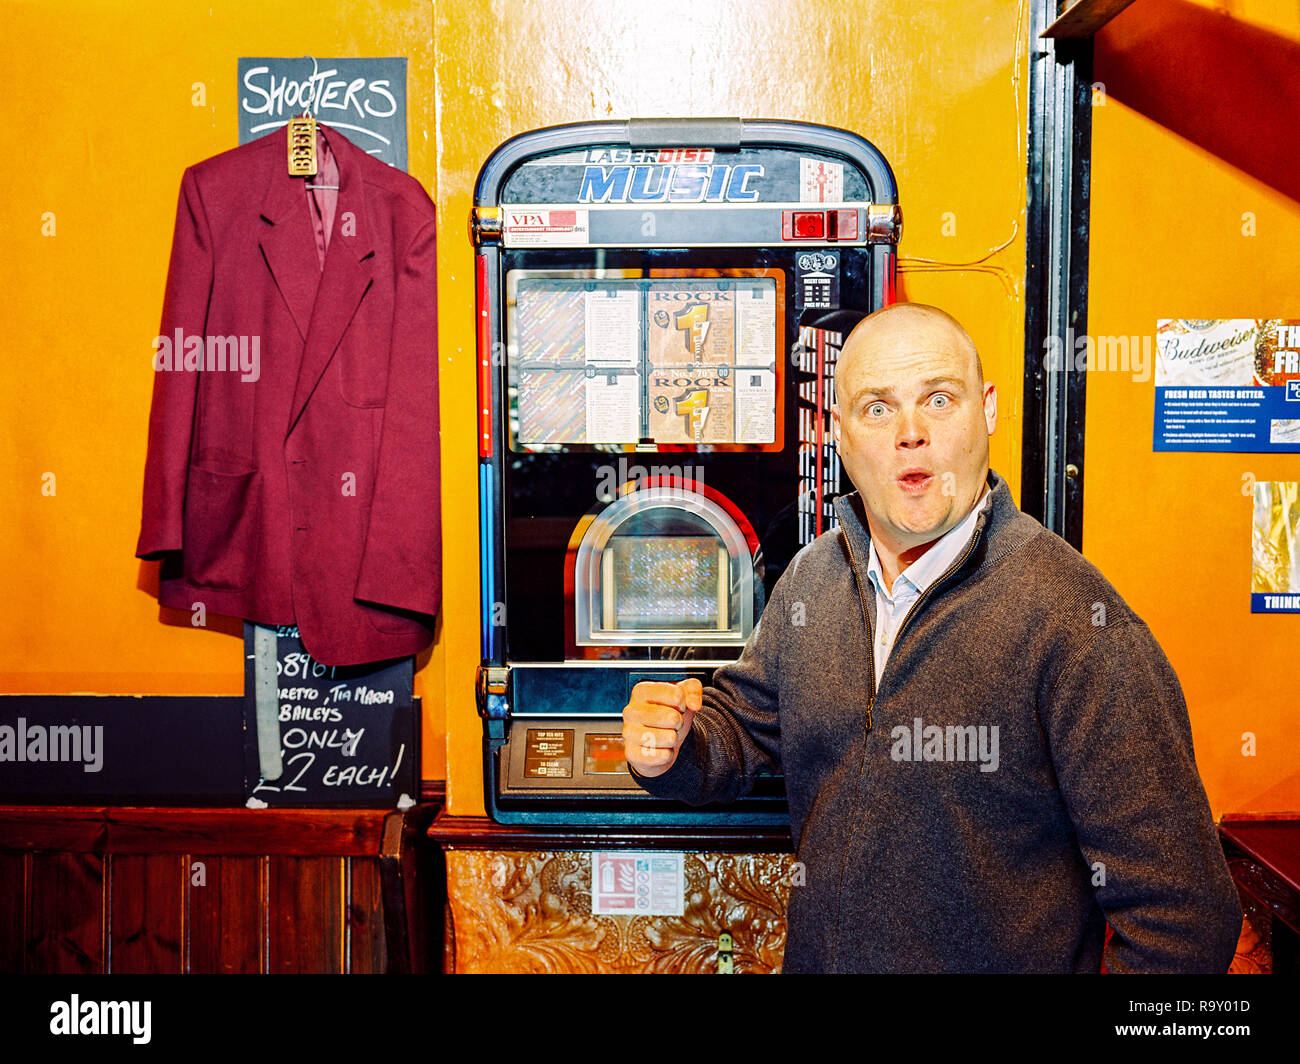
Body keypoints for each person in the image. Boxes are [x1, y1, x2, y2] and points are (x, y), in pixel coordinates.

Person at [623, 302, 1242, 973]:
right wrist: (677, 744)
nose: (910, 433)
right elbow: (738, 733)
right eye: (877, 408)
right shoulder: (811, 581)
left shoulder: (1077, 622)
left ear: (988, 410)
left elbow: (1188, 920)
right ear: (839, 434)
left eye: (938, 400)